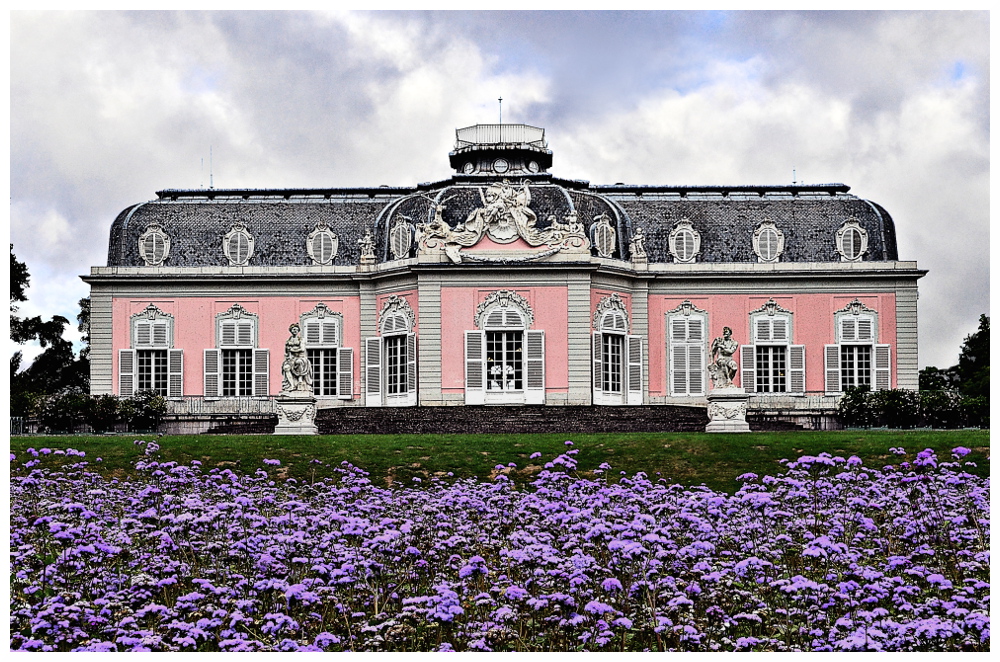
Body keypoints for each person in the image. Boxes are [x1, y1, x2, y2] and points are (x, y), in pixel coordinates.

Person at [281, 323, 313, 394]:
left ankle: (300, 379)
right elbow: (286, 351)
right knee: (286, 367)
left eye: (296, 329)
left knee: (299, 362)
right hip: (291, 358)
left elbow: (302, 349)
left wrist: (292, 350)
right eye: (293, 329)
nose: (294, 331)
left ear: (298, 330)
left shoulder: (301, 339)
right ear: (291, 331)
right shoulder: (288, 340)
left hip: (301, 357)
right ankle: (292, 385)